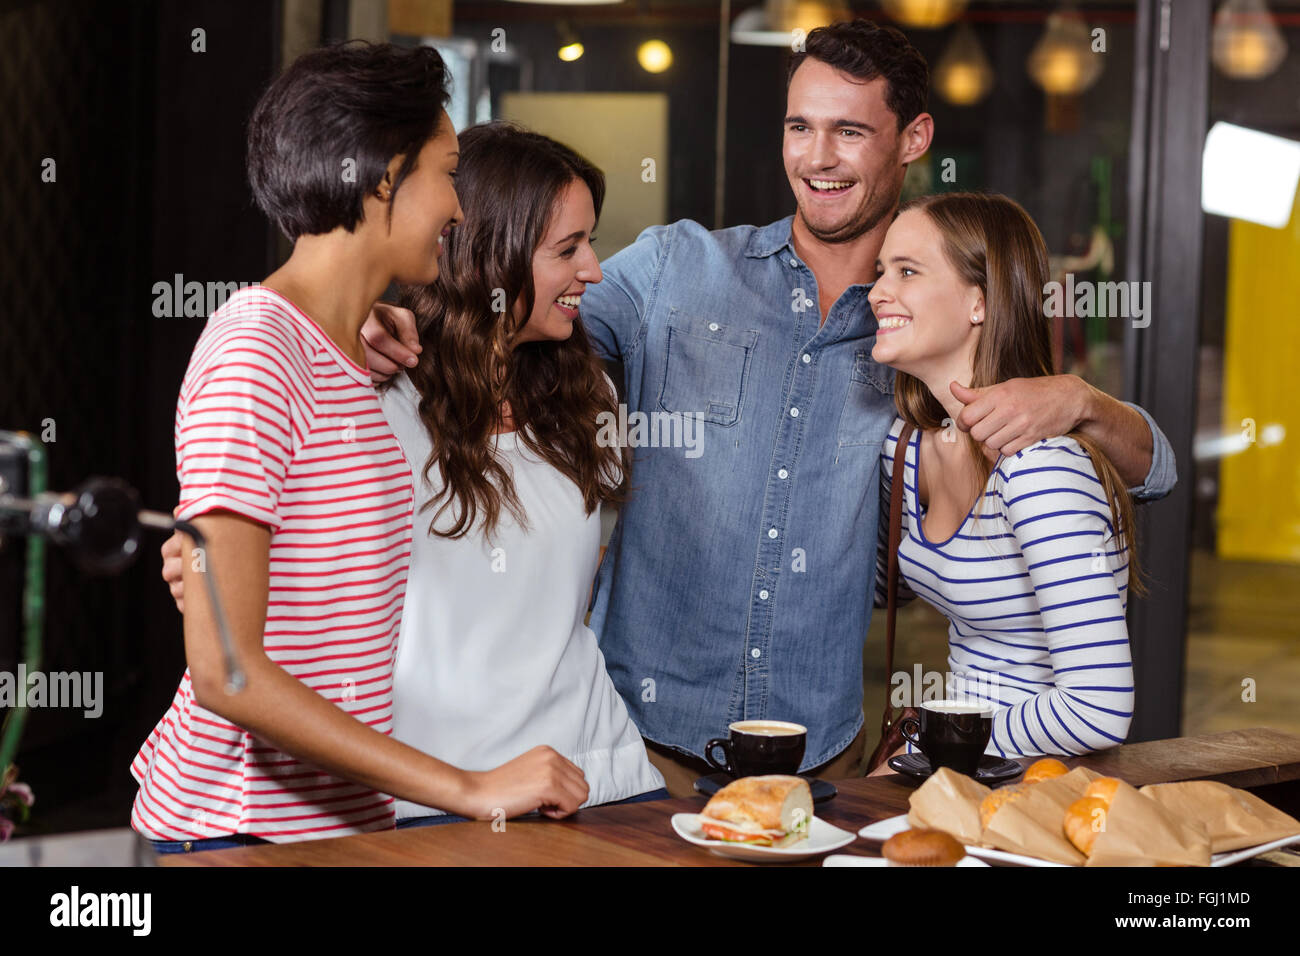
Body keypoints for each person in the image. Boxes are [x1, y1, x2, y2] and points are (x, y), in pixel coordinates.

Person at [359, 20, 1176, 796]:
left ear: (915, 141)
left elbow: (1154, 472)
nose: (817, 157)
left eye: (849, 132)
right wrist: (377, 314)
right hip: (635, 749)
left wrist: (1080, 398)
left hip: (822, 760)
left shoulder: (910, 344)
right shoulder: (674, 271)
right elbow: (502, 318)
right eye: (799, 127)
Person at [134, 42, 586, 854]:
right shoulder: (256, 348)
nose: (457, 207)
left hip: (335, 825)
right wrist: (468, 788)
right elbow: (226, 671)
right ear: (382, 175)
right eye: (447, 172)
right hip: (235, 826)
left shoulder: (344, 350)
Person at [868, 192, 1141, 764]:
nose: (876, 294)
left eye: (907, 272)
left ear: (979, 303)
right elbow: (877, 587)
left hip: (1039, 785)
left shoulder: (1039, 469)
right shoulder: (906, 449)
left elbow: (1099, 707)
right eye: (880, 272)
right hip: (961, 773)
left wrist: (937, 740)